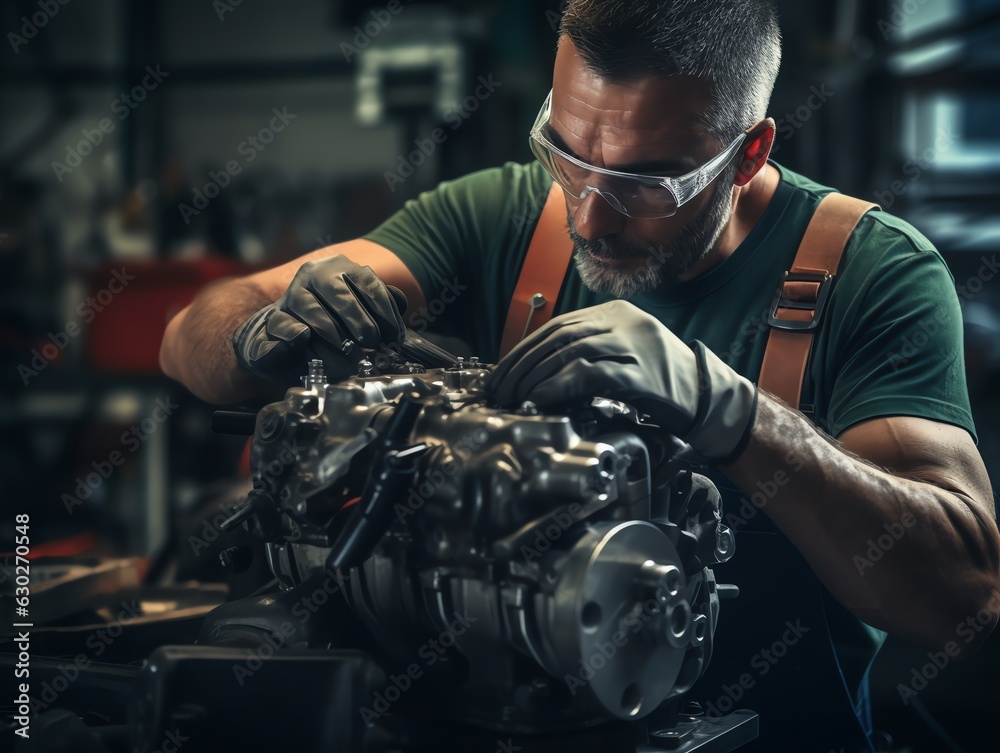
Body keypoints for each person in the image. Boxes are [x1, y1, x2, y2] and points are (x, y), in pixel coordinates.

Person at [159, 1, 1000, 749]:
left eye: (646, 183)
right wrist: (260, 334)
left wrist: (733, 412)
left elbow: (963, 599)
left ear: (749, 154)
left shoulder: (872, 275)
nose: (590, 217)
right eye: (566, 154)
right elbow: (185, 338)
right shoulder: (501, 215)